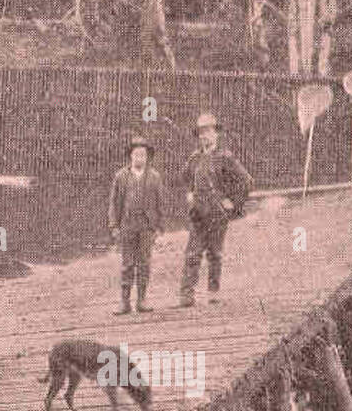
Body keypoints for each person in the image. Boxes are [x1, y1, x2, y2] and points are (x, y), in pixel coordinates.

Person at [178, 112, 252, 308]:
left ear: (216, 134)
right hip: (198, 213)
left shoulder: (225, 157)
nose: (204, 136)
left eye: (208, 131)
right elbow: (184, 178)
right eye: (201, 132)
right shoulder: (194, 158)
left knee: (215, 253)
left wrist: (233, 202)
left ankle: (213, 291)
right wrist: (189, 193)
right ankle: (186, 294)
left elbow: (245, 181)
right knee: (192, 253)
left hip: (217, 213)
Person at [108, 136, 167, 314]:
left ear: (147, 157)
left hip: (147, 226)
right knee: (127, 264)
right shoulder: (121, 176)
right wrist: (114, 226)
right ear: (130, 156)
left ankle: (142, 300)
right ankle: (124, 302)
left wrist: (159, 227)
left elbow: (160, 203)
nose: (140, 158)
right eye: (136, 154)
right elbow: (114, 202)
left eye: (143, 155)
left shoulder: (155, 177)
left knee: (144, 263)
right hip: (127, 225)